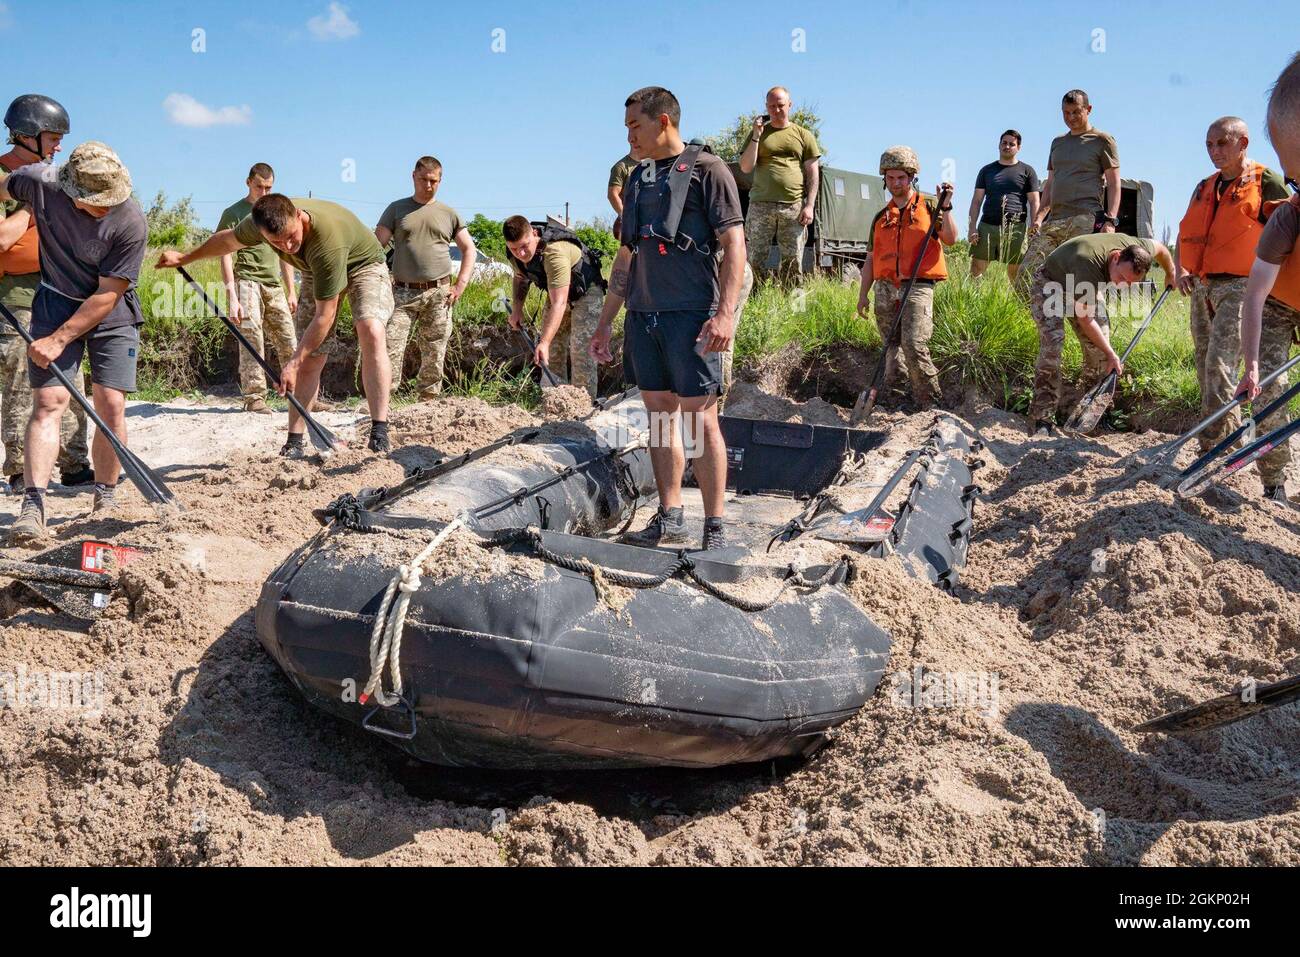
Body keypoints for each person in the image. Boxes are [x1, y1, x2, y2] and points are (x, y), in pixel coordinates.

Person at [589, 86, 746, 550]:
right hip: (644, 315)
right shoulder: (638, 179)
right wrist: (605, 324)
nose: (628, 137)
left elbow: (734, 245)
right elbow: (626, 257)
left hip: (692, 315)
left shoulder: (709, 171)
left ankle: (714, 527)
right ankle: (671, 515)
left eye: (634, 126)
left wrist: (724, 315)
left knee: (701, 421)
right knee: (659, 418)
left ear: (663, 122)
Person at [157, 194, 395, 455]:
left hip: (363, 265)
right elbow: (225, 242)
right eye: (277, 243)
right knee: (311, 356)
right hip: (314, 270)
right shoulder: (257, 224)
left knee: (370, 329)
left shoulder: (326, 240)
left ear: (298, 216)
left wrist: (292, 363)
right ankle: (294, 441)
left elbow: (324, 316)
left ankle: (379, 429)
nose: (288, 246)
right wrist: (185, 258)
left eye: (292, 236)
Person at [0, 142, 147, 545]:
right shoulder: (39, 182)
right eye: (94, 202)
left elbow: (107, 295)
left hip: (110, 311)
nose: (103, 208)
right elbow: (3, 187)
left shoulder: (131, 221)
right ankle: (34, 505)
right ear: (70, 189)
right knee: (48, 403)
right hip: (54, 300)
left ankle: (105, 497)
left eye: (109, 201)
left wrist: (58, 339)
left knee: (111, 404)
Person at [1175, 117, 1290, 453]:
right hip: (1202, 286)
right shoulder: (1204, 186)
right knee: (1204, 366)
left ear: (1243, 143)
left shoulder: (1265, 179)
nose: (1215, 151)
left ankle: (1214, 448)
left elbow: (1287, 229)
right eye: (1209, 144)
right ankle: (1228, 438)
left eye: (1222, 143)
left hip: (1243, 286)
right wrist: (1182, 269)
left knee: (1220, 367)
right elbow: (1186, 231)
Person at [0, 94, 91, 493]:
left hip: (59, 294)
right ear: (26, 137)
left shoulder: (59, 178)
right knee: (22, 385)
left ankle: (74, 464)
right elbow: (3, 240)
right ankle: (21, 472)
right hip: (16, 298)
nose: (59, 146)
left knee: (71, 382)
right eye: (53, 138)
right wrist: (32, 206)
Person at [1026, 232, 1176, 435]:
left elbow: (1160, 249)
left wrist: (1170, 272)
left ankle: (1091, 412)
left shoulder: (1139, 250)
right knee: (1053, 345)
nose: (1123, 285)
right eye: (1121, 278)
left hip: (1082, 286)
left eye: (1130, 283)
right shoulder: (1089, 266)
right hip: (1051, 284)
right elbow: (1085, 319)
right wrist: (1112, 354)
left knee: (1099, 348)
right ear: (1116, 257)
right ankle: (1041, 419)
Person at [1234, 51, 1300, 507]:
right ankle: (1274, 484)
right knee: (1271, 393)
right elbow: (1255, 296)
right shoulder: (1287, 221)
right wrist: (1253, 365)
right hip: (1279, 303)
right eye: (1295, 181)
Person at [855, 146, 958, 409]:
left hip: (918, 286)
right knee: (891, 349)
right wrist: (862, 294)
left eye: (901, 177)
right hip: (885, 288)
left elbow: (951, 239)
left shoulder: (930, 208)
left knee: (913, 345)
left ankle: (930, 406)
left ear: (912, 177)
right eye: (890, 178)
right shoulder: (880, 218)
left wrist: (946, 208)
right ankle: (897, 404)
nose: (895, 183)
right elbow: (870, 260)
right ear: (884, 179)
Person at [375, 156, 475, 398]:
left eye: (433, 181)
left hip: (439, 293)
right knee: (390, 345)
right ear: (413, 177)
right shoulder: (396, 209)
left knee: (434, 350)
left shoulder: (449, 214)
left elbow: (469, 249)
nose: (428, 185)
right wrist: (381, 278)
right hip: (402, 293)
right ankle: (382, 401)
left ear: (440, 181)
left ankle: (427, 402)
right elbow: (376, 247)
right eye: (423, 180)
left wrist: (460, 285)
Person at [1019, 91, 1121, 293]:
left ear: (1088, 110)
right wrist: (1039, 217)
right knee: (1026, 276)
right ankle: (1034, 323)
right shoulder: (1057, 143)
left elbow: (1114, 182)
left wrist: (1110, 220)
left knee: (1078, 285)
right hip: (1054, 221)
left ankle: (1089, 323)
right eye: (1066, 113)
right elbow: (1050, 183)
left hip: (1085, 219)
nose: (1070, 118)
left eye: (1076, 112)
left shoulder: (1102, 140)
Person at [217, 163, 299, 414]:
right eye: (259, 186)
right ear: (248, 183)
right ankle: (254, 398)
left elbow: (285, 250)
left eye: (269, 187)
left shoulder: (276, 211)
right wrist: (232, 296)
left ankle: (300, 394)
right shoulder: (233, 212)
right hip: (247, 281)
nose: (264, 192)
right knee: (252, 340)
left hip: (273, 282)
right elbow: (224, 254)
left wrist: (291, 290)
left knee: (289, 340)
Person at [503, 216, 606, 399]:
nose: (521, 253)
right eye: (514, 248)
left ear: (534, 234)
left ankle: (584, 407)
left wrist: (544, 342)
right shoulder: (514, 254)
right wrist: (517, 309)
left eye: (525, 246)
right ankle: (555, 402)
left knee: (580, 352)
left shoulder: (553, 253)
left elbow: (559, 303)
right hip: (557, 292)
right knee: (553, 354)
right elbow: (521, 277)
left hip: (586, 292)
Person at [738, 86, 821, 284]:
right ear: (766, 107)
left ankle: (793, 308)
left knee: (793, 262)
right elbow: (746, 167)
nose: (776, 110)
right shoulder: (757, 133)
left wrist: (809, 205)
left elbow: (813, 172)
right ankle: (752, 304)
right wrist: (756, 135)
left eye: (781, 105)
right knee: (753, 259)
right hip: (760, 205)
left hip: (792, 206)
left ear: (790, 105)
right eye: (771, 106)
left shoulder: (804, 135)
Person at [967, 130, 1041, 281]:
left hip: (1016, 227)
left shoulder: (1027, 171)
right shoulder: (986, 171)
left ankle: (1016, 303)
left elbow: (1034, 201)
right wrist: (972, 227)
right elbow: (976, 201)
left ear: (1018, 147)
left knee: (1015, 273)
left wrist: (1035, 223)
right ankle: (975, 303)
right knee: (976, 271)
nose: (1007, 147)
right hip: (987, 225)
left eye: (1011, 144)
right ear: (999, 145)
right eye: (1004, 143)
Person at [607, 152, 636, 237]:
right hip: (631, 224)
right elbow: (612, 195)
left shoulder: (653, 164)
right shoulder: (621, 167)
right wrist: (627, 219)